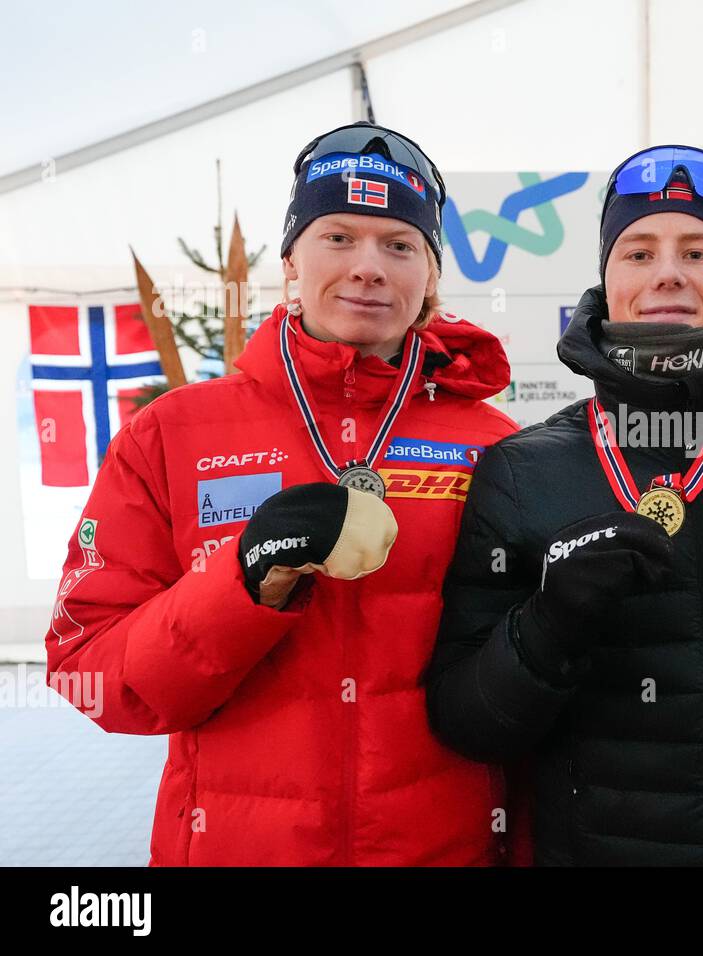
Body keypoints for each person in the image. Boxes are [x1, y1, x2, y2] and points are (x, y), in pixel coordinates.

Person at [44, 121, 520, 865]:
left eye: (400, 246)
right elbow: (89, 669)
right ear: (291, 261)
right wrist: (239, 586)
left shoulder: (496, 444)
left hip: (442, 847)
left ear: (430, 275)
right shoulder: (171, 434)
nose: (368, 267)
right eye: (338, 236)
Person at [425, 145, 703, 865]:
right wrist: (547, 625)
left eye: (698, 250)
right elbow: (467, 724)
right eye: (639, 252)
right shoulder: (525, 471)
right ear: (607, 280)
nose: (669, 273)